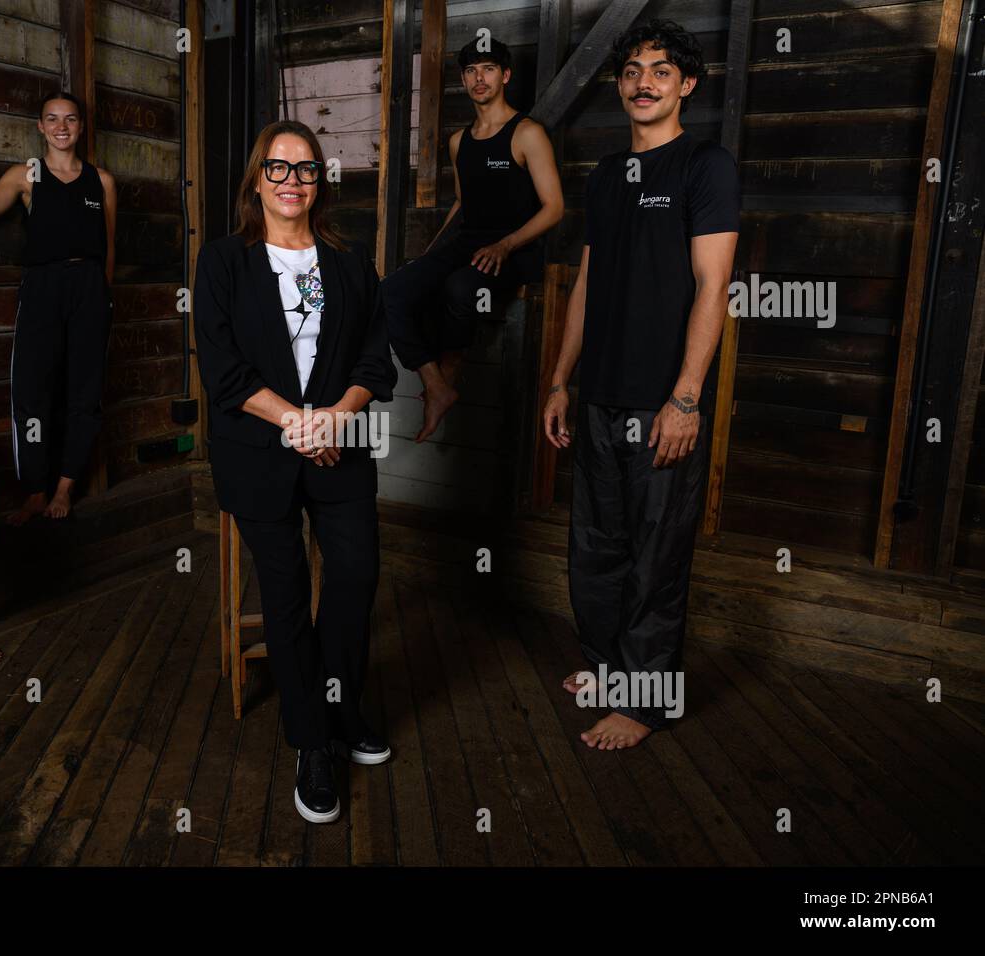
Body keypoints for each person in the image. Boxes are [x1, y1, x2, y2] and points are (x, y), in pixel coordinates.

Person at [542, 19, 740, 750]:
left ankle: (646, 702)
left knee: (657, 555)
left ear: (686, 85)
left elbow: (713, 285)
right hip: (598, 396)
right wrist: (561, 380)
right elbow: (589, 283)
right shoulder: (604, 175)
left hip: (665, 401)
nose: (643, 82)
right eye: (631, 71)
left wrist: (686, 396)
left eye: (660, 71)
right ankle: (606, 666)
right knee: (596, 546)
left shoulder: (705, 166)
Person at [193, 120, 398, 823]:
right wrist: (297, 423)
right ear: (257, 179)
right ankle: (311, 739)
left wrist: (336, 416)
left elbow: (376, 358)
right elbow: (223, 371)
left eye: (306, 170)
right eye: (278, 170)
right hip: (259, 453)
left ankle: (342, 711)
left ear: (320, 183)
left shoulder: (349, 262)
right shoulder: (222, 262)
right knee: (283, 594)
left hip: (339, 442)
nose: (291, 182)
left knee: (355, 574)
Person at [0, 91, 118, 523]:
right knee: (32, 389)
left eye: (70, 119)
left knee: (84, 392)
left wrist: (103, 296)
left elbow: (108, 248)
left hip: (89, 289)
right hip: (42, 288)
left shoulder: (102, 181)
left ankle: (65, 487)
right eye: (52, 119)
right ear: (40, 127)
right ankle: (35, 488)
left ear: (80, 126)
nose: (61, 127)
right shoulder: (27, 176)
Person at [383, 37, 563, 441]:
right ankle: (435, 384)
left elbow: (554, 207)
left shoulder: (527, 133)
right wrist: (429, 256)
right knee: (393, 289)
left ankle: (450, 371)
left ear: (506, 75)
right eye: (470, 71)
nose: (478, 78)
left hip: (516, 250)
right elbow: (463, 202)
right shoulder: (458, 142)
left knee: (460, 286)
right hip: (469, 244)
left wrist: (506, 245)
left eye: (488, 68)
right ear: (463, 79)